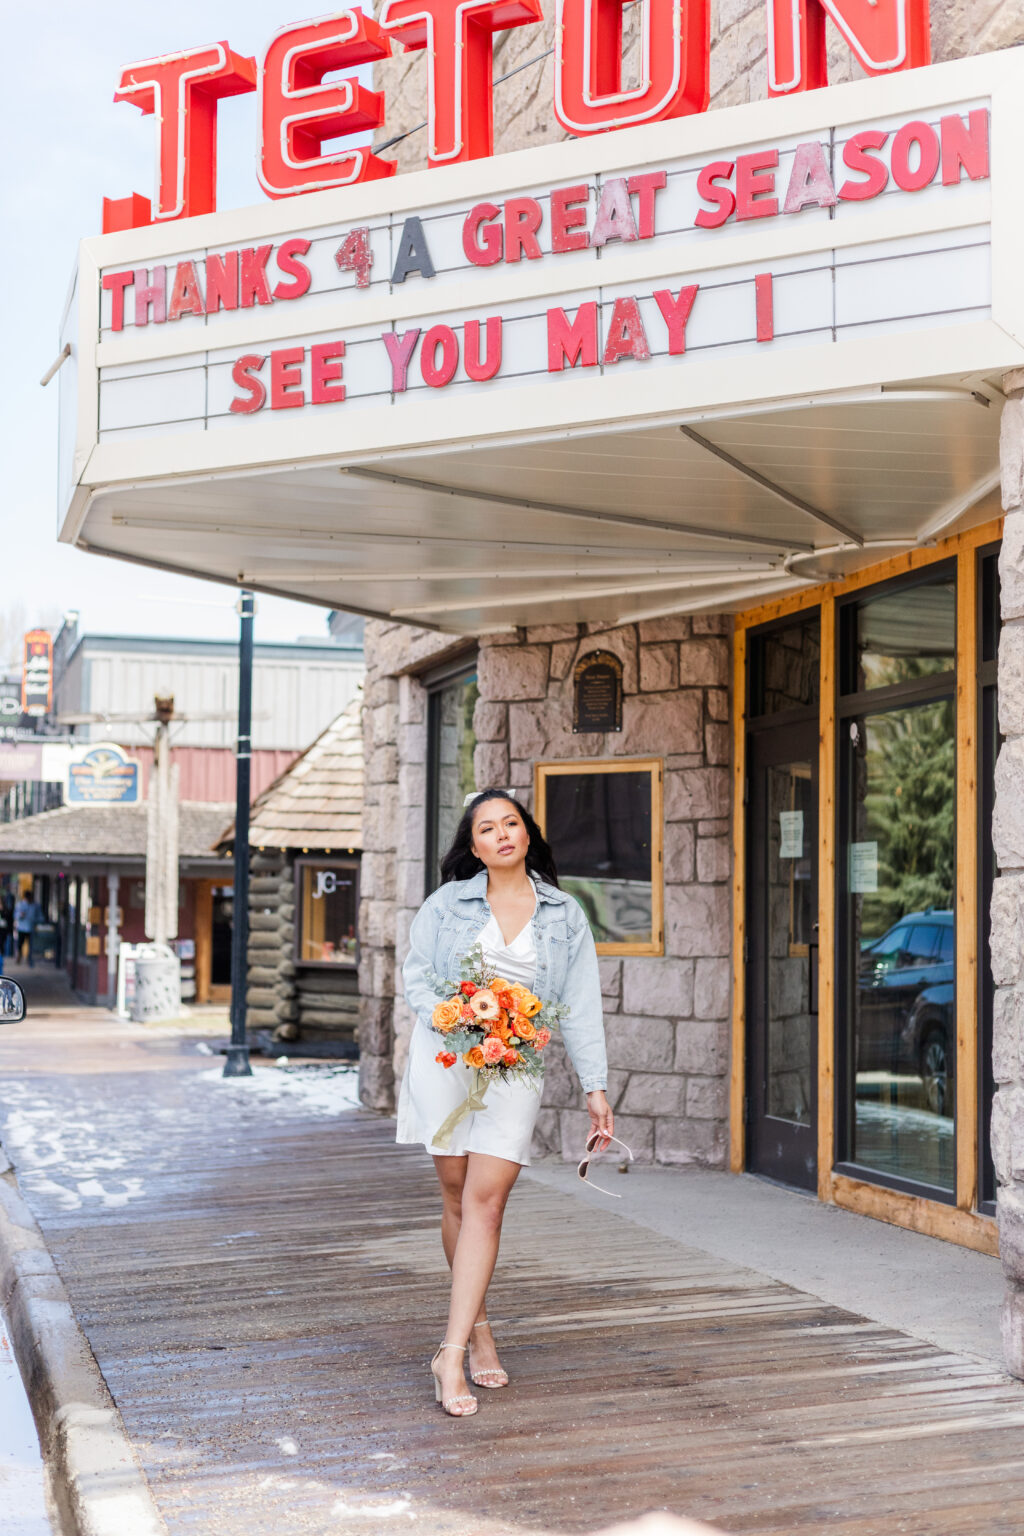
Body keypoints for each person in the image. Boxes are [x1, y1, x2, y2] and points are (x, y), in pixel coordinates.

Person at [398, 787, 613, 1418]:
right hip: (448, 1059)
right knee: (456, 1196)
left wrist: (595, 1087)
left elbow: (581, 1005)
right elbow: (417, 975)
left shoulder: (564, 914)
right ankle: (480, 1330)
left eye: (511, 823)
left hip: (518, 1066)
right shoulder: (447, 904)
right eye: (487, 828)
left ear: (527, 834)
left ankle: (449, 1354)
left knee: (486, 1203)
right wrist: (457, 1019)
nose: (501, 834)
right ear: (474, 847)